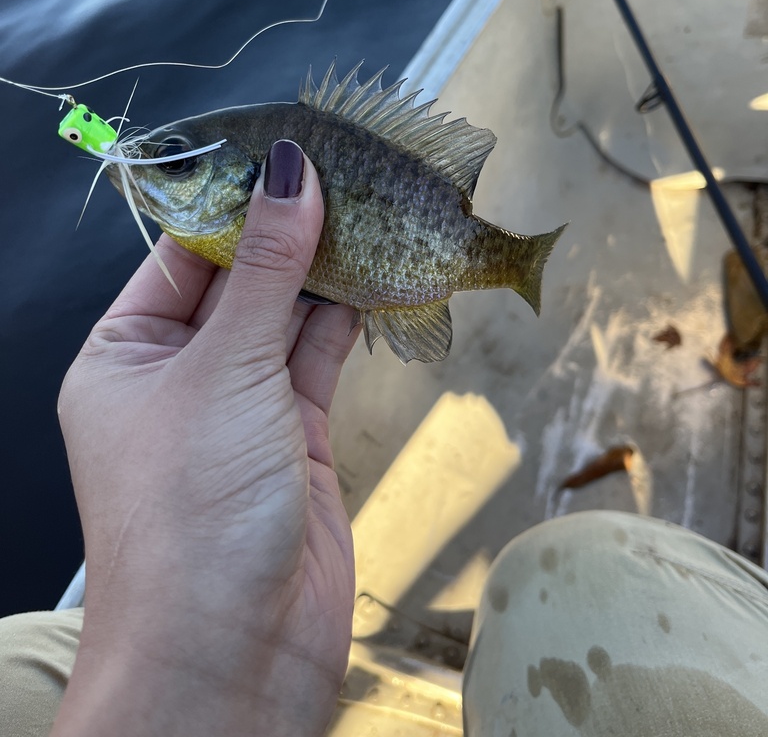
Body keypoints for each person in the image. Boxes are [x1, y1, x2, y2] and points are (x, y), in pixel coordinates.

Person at [2, 139, 768, 736]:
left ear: (245, 185)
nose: (155, 176)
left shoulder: (237, 230)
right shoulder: (222, 225)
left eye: (180, 166)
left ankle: (511, 261)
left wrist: (197, 665)